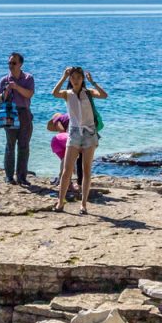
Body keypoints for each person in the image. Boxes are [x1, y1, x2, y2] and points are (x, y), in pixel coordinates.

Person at [51, 66, 107, 214]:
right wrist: (63, 77)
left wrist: (92, 82)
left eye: (78, 77)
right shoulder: (67, 94)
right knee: (66, 170)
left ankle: (83, 205)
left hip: (89, 133)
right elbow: (54, 93)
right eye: (73, 77)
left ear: (82, 79)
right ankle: (60, 203)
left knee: (86, 169)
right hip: (74, 133)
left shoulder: (88, 93)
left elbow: (104, 95)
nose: (75, 80)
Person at [0, 51, 35, 185]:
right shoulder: (4, 80)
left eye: (13, 63)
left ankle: (22, 177)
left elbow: (29, 94)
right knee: (10, 145)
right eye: (9, 63)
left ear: (20, 64)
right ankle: (9, 176)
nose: (11, 65)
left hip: (24, 113)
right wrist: (6, 92)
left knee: (24, 145)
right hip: (10, 113)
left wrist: (16, 87)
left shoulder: (28, 78)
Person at [46, 112, 85, 199]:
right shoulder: (67, 116)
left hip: (58, 142)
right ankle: (66, 184)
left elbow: (61, 132)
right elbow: (64, 133)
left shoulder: (57, 120)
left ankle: (66, 183)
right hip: (63, 141)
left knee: (66, 163)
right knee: (68, 164)